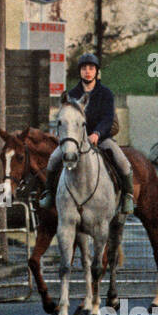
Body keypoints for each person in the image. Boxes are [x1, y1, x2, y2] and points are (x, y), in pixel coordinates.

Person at [40, 52, 134, 216]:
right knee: (53, 159)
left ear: (96, 71)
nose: (87, 71)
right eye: (84, 68)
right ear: (80, 72)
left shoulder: (106, 94)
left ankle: (127, 196)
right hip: (75, 140)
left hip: (100, 138)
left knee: (123, 162)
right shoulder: (71, 94)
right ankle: (48, 194)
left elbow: (108, 118)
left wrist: (97, 133)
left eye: (91, 68)